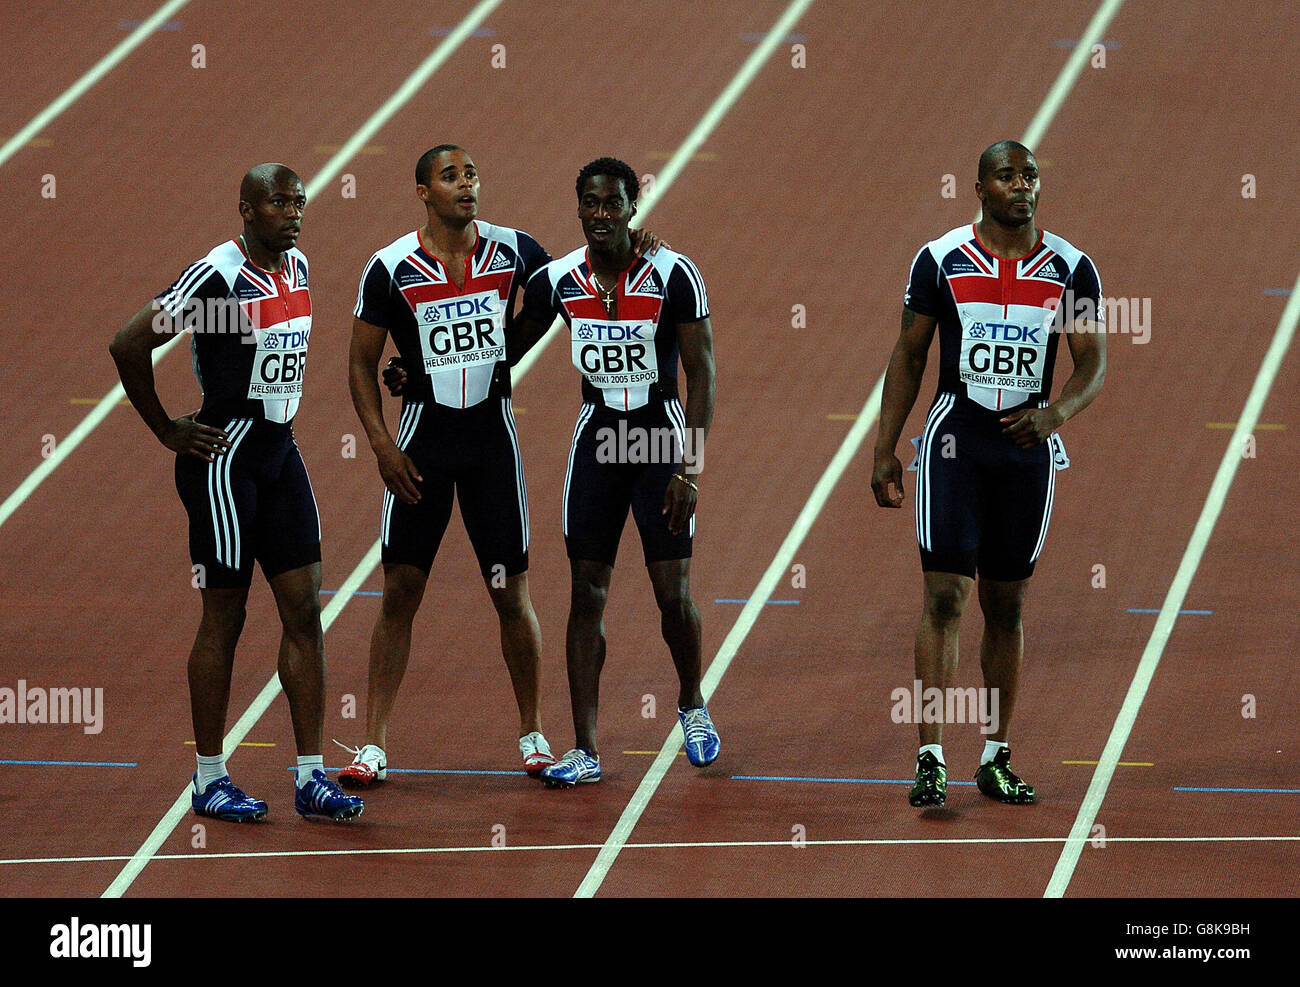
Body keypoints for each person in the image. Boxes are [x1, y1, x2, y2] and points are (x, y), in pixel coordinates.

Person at [109, 163, 364, 822]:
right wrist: (167, 428)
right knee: (226, 613)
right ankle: (210, 777)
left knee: (305, 609)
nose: (293, 212)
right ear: (246, 209)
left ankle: (310, 776)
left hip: (281, 454)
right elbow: (129, 343)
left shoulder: (298, 268)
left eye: (299, 201)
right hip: (222, 461)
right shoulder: (217, 275)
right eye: (279, 202)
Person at [871, 140, 1106, 807]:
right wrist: (884, 447)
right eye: (1007, 176)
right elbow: (910, 355)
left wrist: (1056, 413)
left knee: (1006, 604)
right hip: (956, 445)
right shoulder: (940, 259)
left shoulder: (1072, 268)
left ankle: (996, 755)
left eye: (1030, 175)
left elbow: (1093, 362)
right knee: (945, 598)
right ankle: (930, 757)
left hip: (1026, 451)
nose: (1022, 185)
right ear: (979, 188)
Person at [508, 156, 718, 787]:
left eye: (612, 203)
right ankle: (586, 748)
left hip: (660, 438)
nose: (600, 215)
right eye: (590, 204)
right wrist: (414, 366)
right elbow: (506, 344)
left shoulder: (674, 274)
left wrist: (691, 468)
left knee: (672, 593)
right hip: (597, 441)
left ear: (633, 207)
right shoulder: (559, 278)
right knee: (585, 595)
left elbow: (703, 370)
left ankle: (692, 704)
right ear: (579, 209)